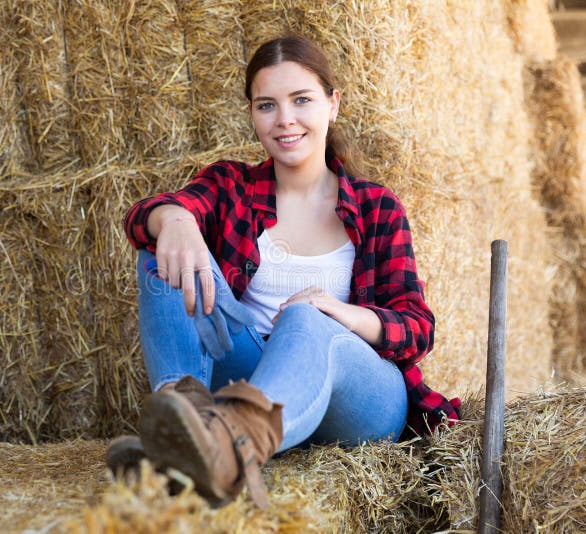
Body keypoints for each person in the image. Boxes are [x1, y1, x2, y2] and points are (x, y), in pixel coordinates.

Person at [107, 34, 460, 509]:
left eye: (301, 100)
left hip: (360, 401)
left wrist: (336, 312)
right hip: (253, 375)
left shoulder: (377, 207)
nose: (285, 119)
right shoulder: (231, 185)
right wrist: (175, 219)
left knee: (305, 318)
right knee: (160, 251)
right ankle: (186, 429)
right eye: (267, 105)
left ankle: (229, 441)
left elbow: (417, 326)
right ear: (252, 114)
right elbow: (142, 218)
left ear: (332, 105)